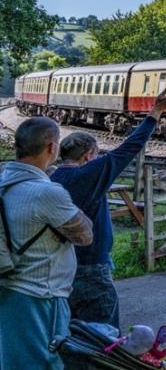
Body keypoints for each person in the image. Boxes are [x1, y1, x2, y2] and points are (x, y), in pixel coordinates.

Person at [51, 89, 166, 327]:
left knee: (68, 332)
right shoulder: (91, 174)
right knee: (104, 334)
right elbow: (130, 147)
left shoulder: (51, 180)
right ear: (88, 156)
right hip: (92, 267)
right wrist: (155, 112)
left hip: (58, 269)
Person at [0, 117, 95, 370]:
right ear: (52, 148)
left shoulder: (4, 181)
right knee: (43, 363)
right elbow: (85, 235)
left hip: (8, 290)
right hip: (41, 296)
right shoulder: (47, 192)